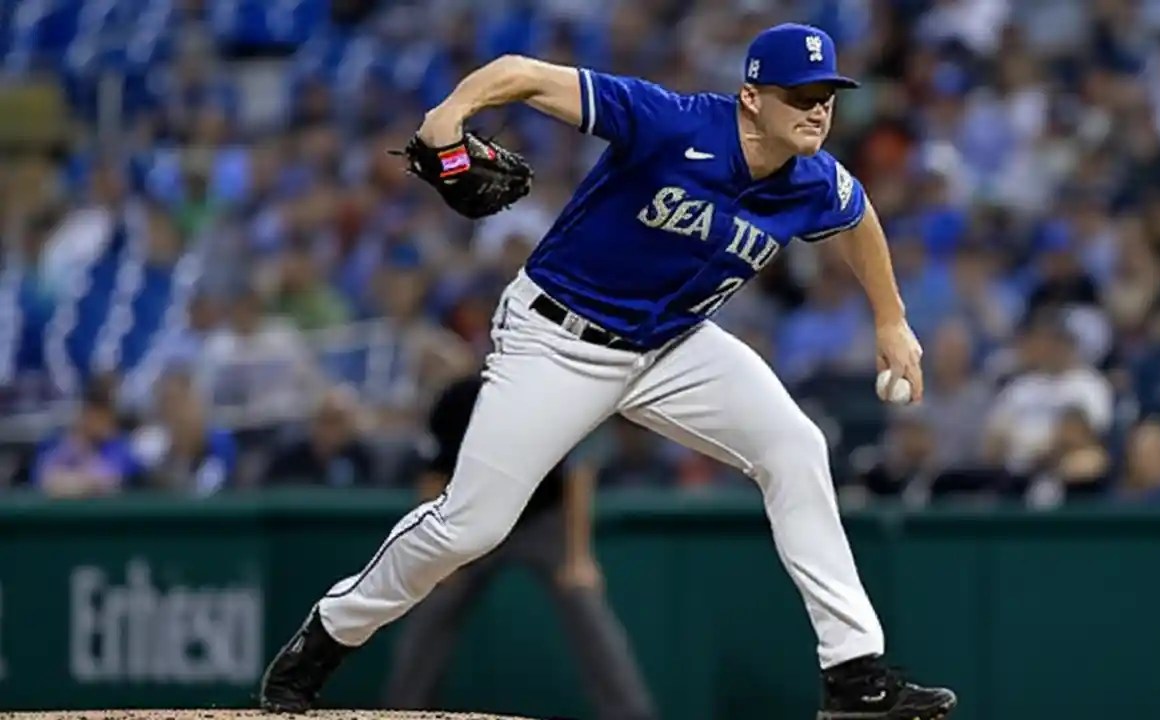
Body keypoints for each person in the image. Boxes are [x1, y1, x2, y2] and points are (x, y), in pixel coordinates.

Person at [259, 22, 956, 720]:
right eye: (798, 94)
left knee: (795, 448)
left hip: (674, 345)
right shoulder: (670, 122)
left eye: (826, 95)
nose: (816, 109)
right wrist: (448, 117)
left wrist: (891, 319)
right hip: (558, 337)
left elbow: (858, 218)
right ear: (750, 97)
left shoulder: (812, 180)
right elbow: (523, 73)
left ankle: (853, 675)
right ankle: (328, 635)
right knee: (471, 528)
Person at [382, 373, 656, 719]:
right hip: (475, 517)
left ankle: (631, 716)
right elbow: (434, 477)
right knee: (434, 604)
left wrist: (579, 558)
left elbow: (577, 474)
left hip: (542, 517)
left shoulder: (549, 394)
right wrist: (435, 557)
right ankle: (403, 712)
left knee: (585, 604)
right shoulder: (459, 398)